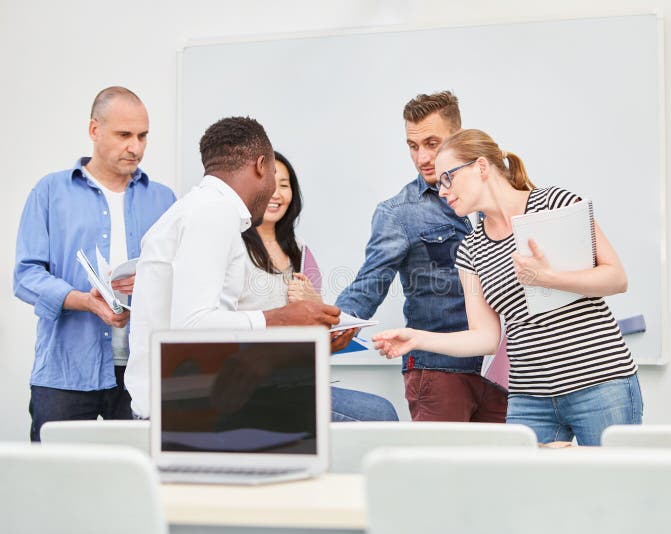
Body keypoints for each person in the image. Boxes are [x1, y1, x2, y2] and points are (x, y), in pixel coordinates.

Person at [373, 129, 643, 446]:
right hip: (530, 398)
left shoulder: (554, 204)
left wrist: (549, 278)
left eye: (448, 178)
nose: (442, 191)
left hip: (599, 383)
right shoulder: (470, 249)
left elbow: (616, 277)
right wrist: (416, 338)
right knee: (525, 492)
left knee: (611, 488)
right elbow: (485, 338)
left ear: (482, 168)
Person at [125, 117, 353, 418]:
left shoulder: (195, 210)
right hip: (188, 412)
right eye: (274, 175)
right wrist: (283, 317)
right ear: (261, 166)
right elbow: (192, 326)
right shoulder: (213, 214)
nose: (274, 189)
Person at [13, 87, 176, 441]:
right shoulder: (50, 192)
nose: (136, 146)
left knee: (138, 481)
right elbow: (25, 276)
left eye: (143, 136)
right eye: (124, 135)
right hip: (66, 369)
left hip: (141, 371)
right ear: (94, 130)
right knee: (54, 482)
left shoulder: (164, 199)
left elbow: (181, 278)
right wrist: (83, 300)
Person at [336, 92, 507, 422]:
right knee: (440, 471)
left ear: (457, 137)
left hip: (501, 371)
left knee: (501, 470)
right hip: (438, 371)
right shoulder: (398, 213)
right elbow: (368, 286)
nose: (422, 157)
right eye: (413, 146)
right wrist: (329, 327)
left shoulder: (493, 201)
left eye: (432, 143)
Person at [239, 151, 398, 422]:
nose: (276, 194)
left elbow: (311, 334)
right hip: (251, 384)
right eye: (269, 184)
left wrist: (326, 323)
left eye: (285, 185)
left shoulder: (301, 252)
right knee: (380, 415)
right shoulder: (235, 246)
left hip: (295, 380)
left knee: (384, 410)